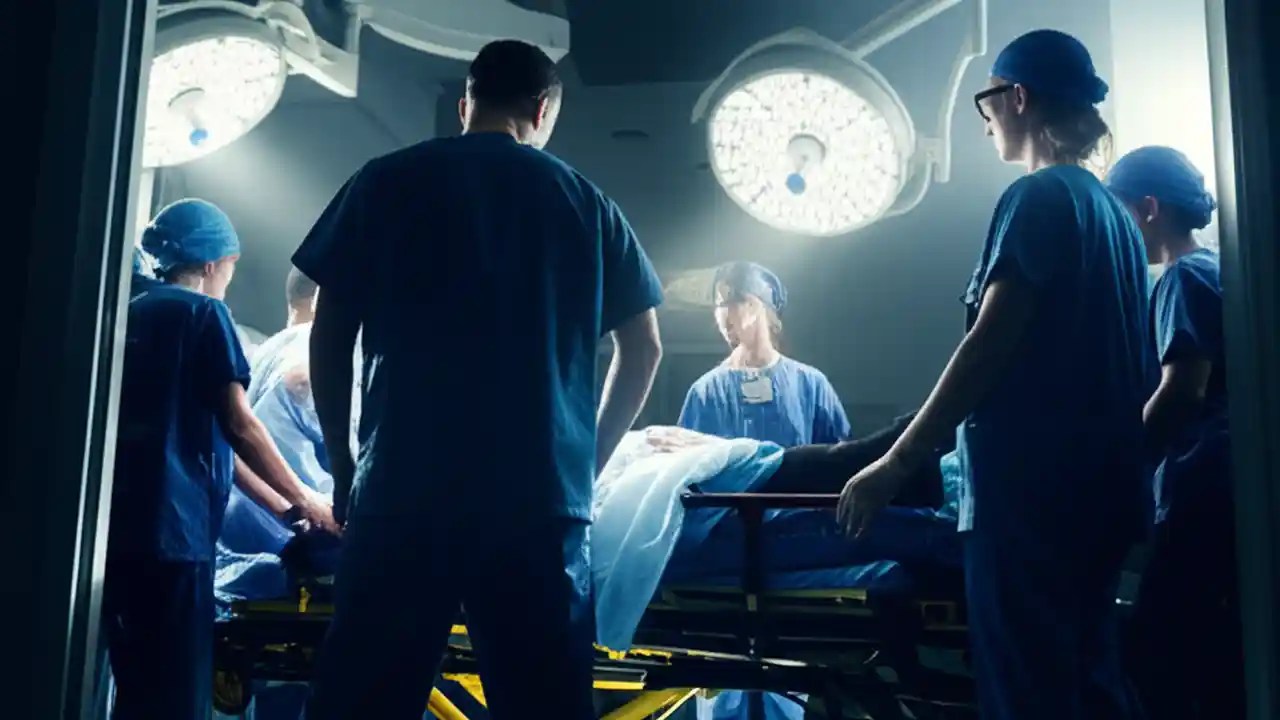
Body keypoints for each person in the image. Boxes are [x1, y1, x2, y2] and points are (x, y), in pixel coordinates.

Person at [295, 39, 665, 720]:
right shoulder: (587, 204)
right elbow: (643, 350)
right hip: (536, 504)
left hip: (404, 490)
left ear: (466, 103)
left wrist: (347, 465)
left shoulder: (385, 181)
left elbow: (330, 331)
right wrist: (585, 467)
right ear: (543, 108)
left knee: (361, 702)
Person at [836, 30, 1156, 720]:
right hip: (1099, 497)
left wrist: (897, 462)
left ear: (1017, 98)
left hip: (1032, 503)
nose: (983, 124)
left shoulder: (1039, 199)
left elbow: (989, 343)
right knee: (1091, 684)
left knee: (1028, 694)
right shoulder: (1116, 218)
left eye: (987, 104)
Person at [106, 199, 338, 720]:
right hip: (178, 538)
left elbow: (219, 446)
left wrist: (287, 511)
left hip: (123, 534)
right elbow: (237, 425)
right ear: (213, 264)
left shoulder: (134, 311)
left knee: (135, 687)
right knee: (178, 696)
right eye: (230, 269)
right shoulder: (202, 314)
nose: (228, 282)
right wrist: (309, 501)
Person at [677, 261, 850, 720]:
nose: (724, 317)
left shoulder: (811, 386)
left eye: (731, 302)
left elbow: (841, 468)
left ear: (759, 307)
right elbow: (686, 483)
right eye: (718, 306)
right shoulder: (705, 393)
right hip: (724, 553)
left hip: (798, 548)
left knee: (781, 698)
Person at [1106, 146, 1243, 719]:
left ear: (1148, 209)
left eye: (1119, 217)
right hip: (1222, 489)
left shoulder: (1183, 276)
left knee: (1153, 653)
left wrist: (1114, 468)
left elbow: (1182, 390)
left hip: (1201, 488)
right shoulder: (1217, 270)